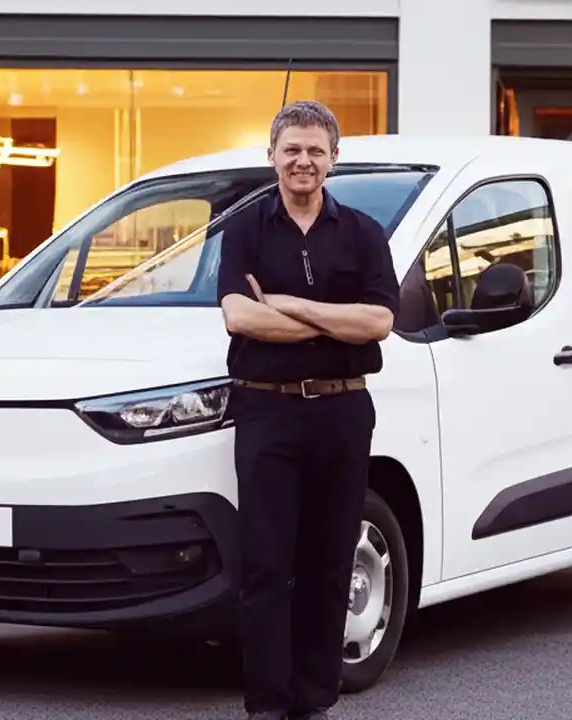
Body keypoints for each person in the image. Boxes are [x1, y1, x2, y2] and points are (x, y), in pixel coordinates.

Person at [216, 100, 400, 720]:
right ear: (272, 157)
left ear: (334, 160)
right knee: (267, 563)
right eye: (292, 149)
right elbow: (240, 316)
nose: (303, 161)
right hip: (266, 413)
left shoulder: (363, 234)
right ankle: (268, 704)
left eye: (315, 151)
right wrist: (333, 323)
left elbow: (378, 321)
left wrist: (291, 306)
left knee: (329, 560)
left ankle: (316, 700)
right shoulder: (245, 228)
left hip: (342, 415)